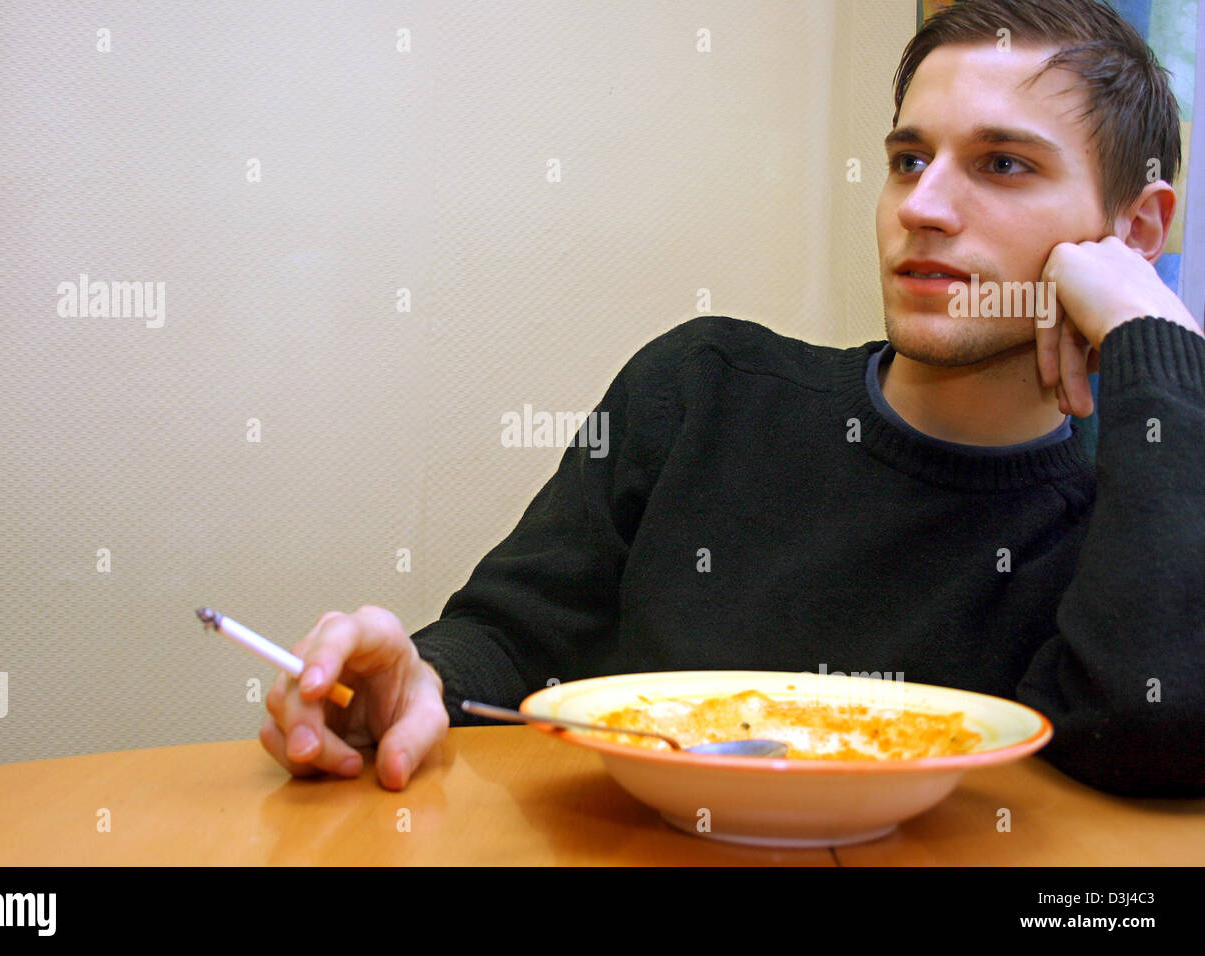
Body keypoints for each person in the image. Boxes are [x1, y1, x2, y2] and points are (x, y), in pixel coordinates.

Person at [259, 0, 1205, 797]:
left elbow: (1156, 736)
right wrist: (418, 682)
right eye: (910, 160)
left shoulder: (1133, 508)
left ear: (1137, 227)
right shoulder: (702, 390)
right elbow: (512, 637)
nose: (922, 206)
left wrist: (1150, 336)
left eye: (1003, 165)